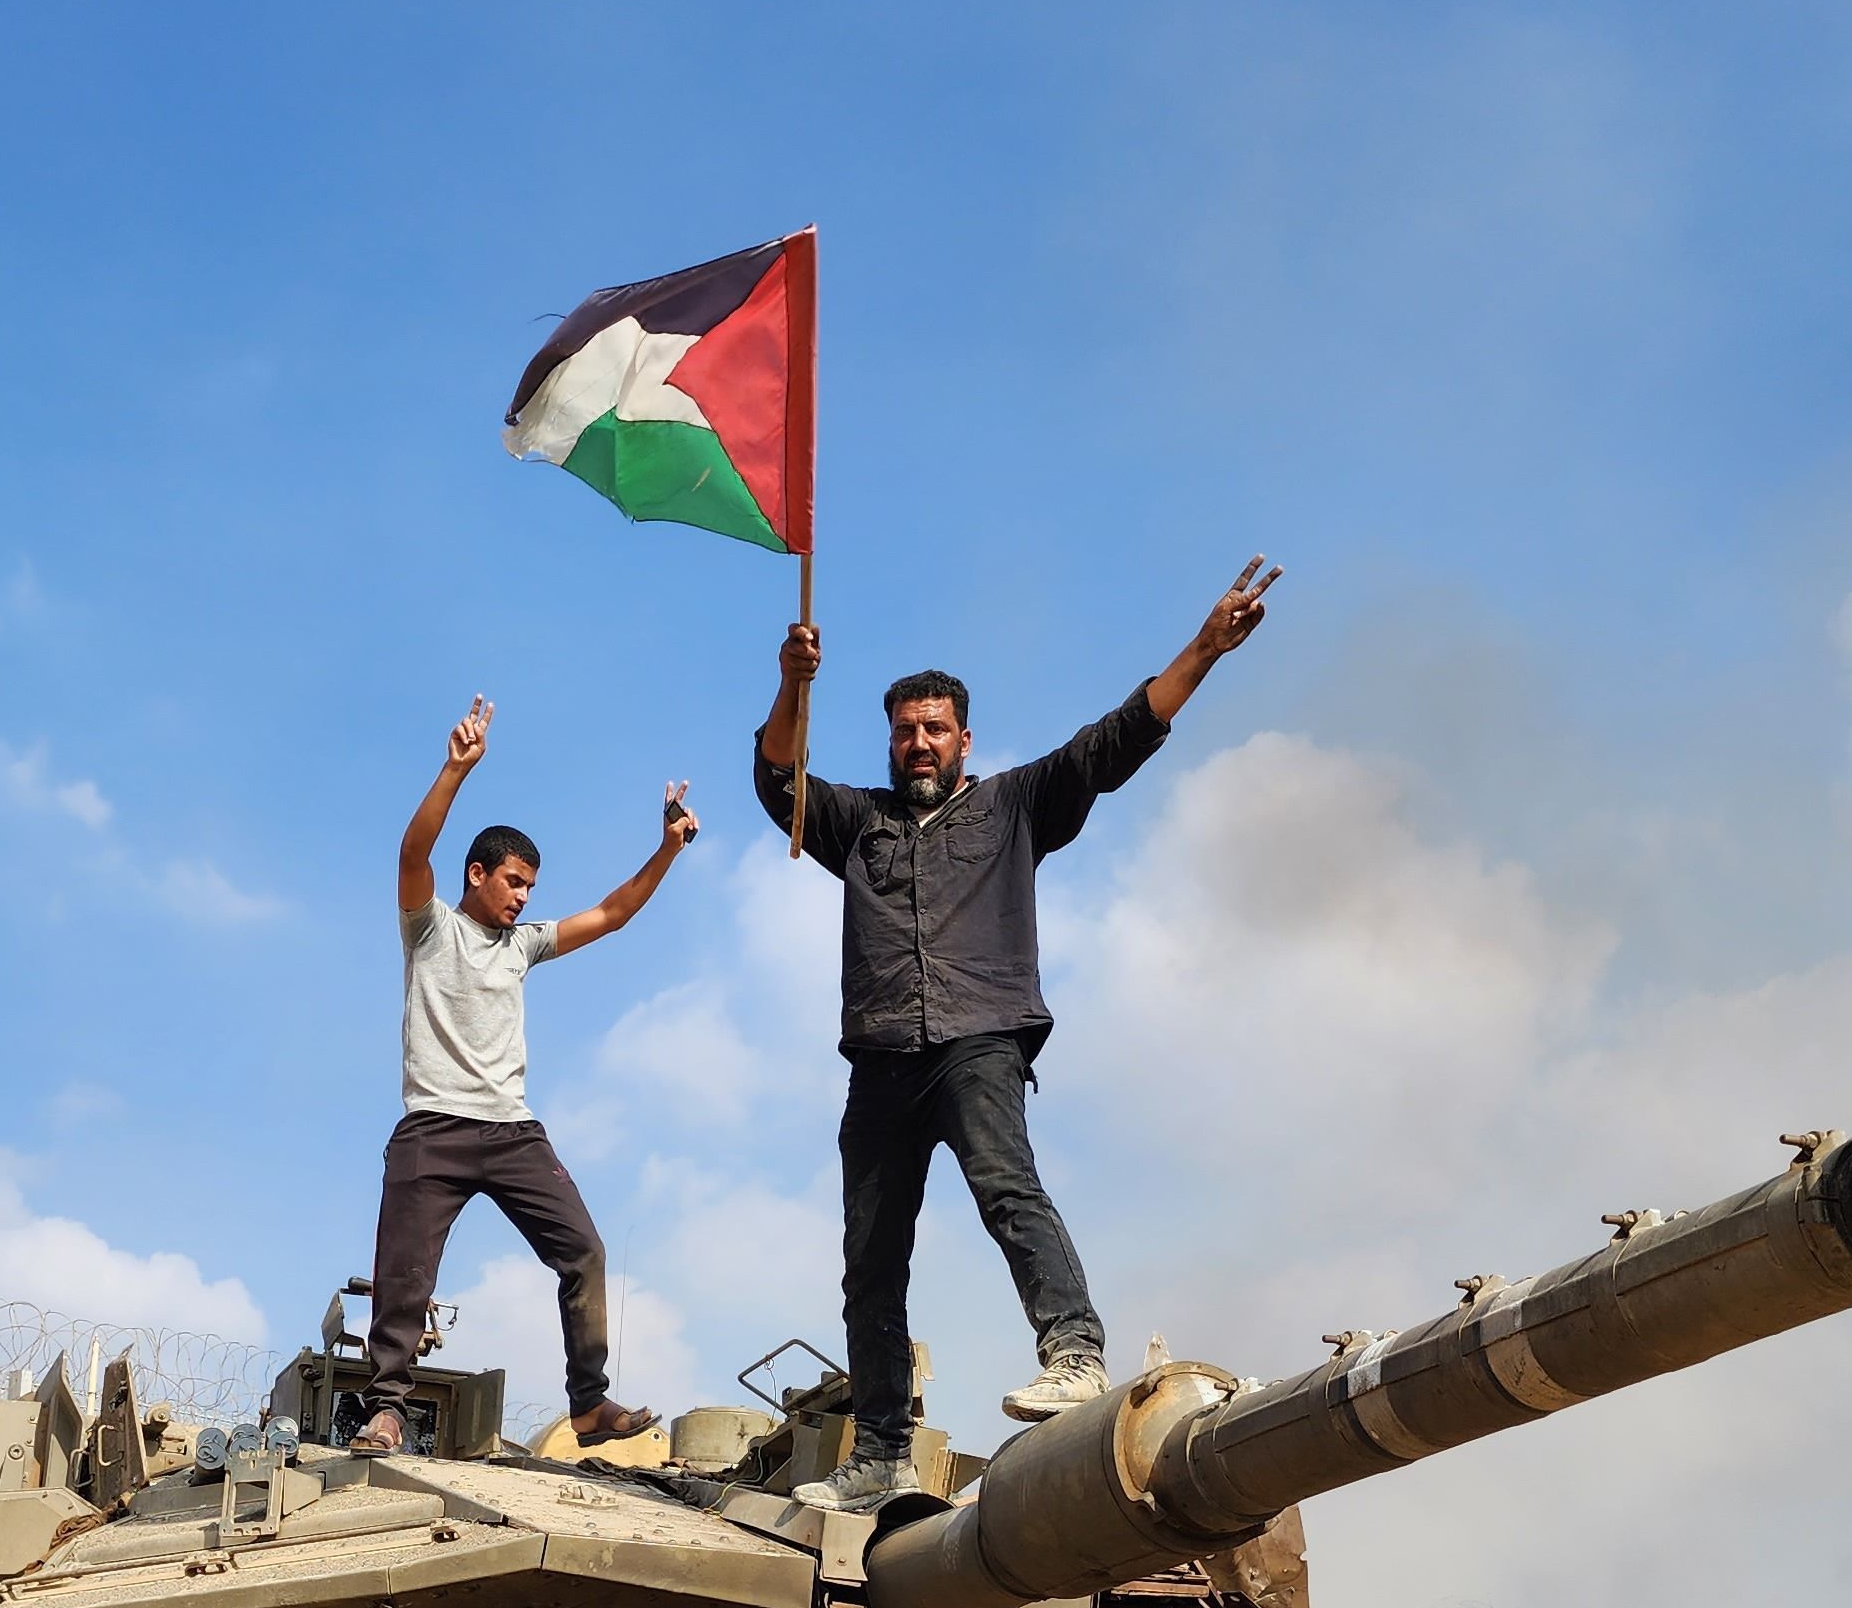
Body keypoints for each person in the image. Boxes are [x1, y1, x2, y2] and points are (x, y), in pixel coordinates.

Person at [753, 561, 1282, 1510]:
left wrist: (1204, 649)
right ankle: (879, 1454)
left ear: (964, 738)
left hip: (977, 1035)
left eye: (934, 730)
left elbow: (1115, 742)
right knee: (870, 1259)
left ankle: (1073, 1350)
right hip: (880, 1055)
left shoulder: (1013, 806)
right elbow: (776, 776)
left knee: (1005, 1186)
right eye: (905, 732)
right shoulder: (856, 824)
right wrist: (794, 684)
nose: (919, 744)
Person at [359, 697, 684, 1458]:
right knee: (404, 1276)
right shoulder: (430, 926)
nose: (523, 897)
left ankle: (589, 1404)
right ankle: (385, 1410)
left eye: (531, 887)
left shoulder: (524, 945)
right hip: (432, 1130)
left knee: (585, 1251)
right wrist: (456, 769)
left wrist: (666, 849)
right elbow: (412, 854)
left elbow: (610, 914)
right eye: (512, 881)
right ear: (477, 875)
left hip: (511, 1132)